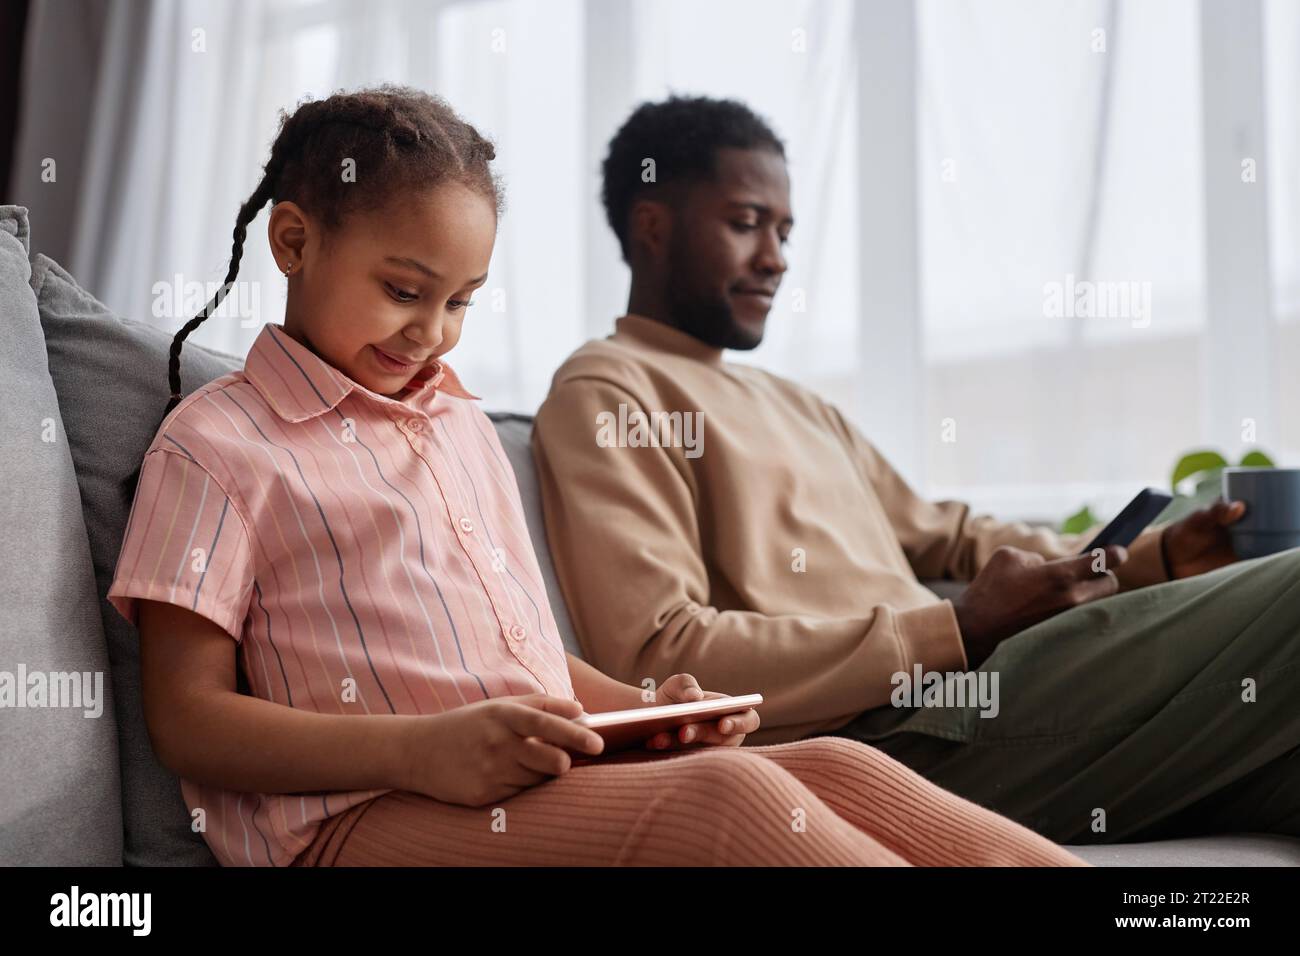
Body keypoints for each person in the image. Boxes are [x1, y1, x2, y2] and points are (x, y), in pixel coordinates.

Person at [106, 86, 1081, 867]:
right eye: (404, 291)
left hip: (516, 782)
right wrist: (419, 748)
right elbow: (186, 719)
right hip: (354, 819)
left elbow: (523, 660)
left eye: (460, 302)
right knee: (729, 796)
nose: (431, 331)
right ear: (293, 242)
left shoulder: (455, 424)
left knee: (840, 763)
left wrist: (646, 709)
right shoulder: (218, 447)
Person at [531, 94, 1300, 846]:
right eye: (745, 224)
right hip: (882, 742)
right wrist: (955, 628)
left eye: (786, 232)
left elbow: (952, 535)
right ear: (652, 226)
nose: (776, 258)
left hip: (974, 693)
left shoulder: (792, 402)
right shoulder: (608, 388)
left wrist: (1156, 557)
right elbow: (656, 658)